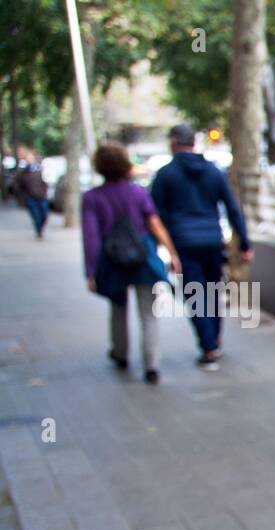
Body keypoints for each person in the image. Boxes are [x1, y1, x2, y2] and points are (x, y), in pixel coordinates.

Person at [150, 123, 252, 370]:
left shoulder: (165, 175)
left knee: (195, 294)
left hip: (184, 243)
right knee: (212, 292)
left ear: (174, 142)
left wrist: (158, 246)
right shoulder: (214, 171)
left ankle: (208, 346)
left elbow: (154, 214)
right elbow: (232, 208)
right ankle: (214, 338)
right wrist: (244, 243)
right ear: (193, 143)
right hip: (212, 241)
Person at [82, 141, 180, 385]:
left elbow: (91, 238)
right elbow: (154, 224)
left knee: (118, 308)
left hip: (112, 261)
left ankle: (120, 353)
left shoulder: (92, 198)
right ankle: (151, 365)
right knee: (148, 313)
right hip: (142, 258)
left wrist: (91, 272)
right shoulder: (137, 193)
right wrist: (172, 252)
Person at [14, 148, 50, 240]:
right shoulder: (24, 172)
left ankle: (41, 229)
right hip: (30, 198)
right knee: (36, 216)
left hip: (42, 196)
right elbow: (19, 185)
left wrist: (45, 192)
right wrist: (23, 197)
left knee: (44, 215)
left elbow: (46, 181)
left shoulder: (41, 169)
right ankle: (39, 231)